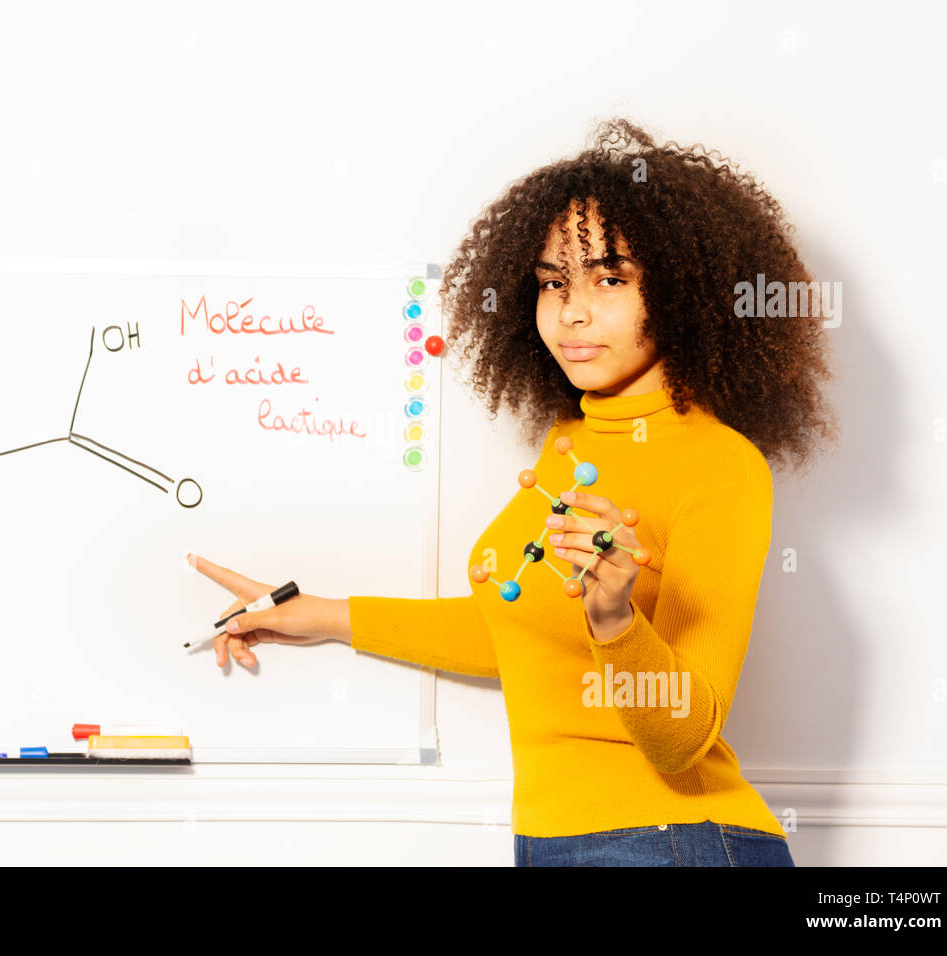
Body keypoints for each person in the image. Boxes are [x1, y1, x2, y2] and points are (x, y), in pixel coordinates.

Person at [188, 117, 837, 867]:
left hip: (673, 841)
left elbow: (683, 737)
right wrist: (324, 616)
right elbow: (518, 629)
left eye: (612, 280)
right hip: (557, 840)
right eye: (553, 283)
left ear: (688, 293)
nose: (573, 311)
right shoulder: (570, 446)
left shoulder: (721, 466)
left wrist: (616, 619)